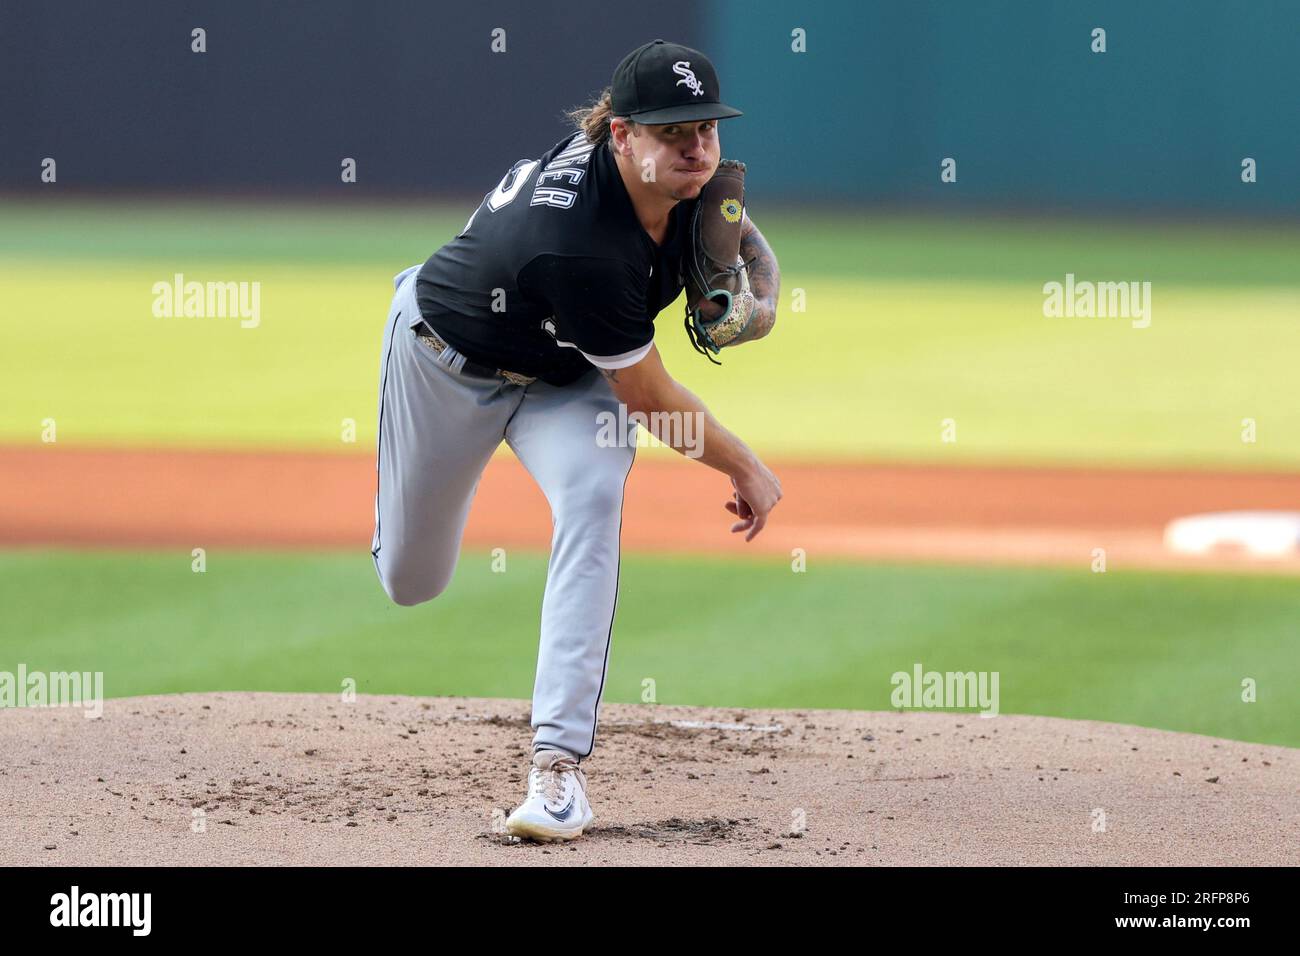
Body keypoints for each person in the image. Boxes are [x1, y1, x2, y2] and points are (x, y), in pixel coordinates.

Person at [371, 39, 782, 841]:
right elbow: (654, 398)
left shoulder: (680, 180)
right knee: (410, 580)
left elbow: (724, 234)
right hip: (445, 362)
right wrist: (747, 466)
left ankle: (556, 772)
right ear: (621, 136)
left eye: (706, 126)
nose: (697, 147)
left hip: (566, 380)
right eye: (674, 132)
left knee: (593, 497)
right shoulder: (578, 241)